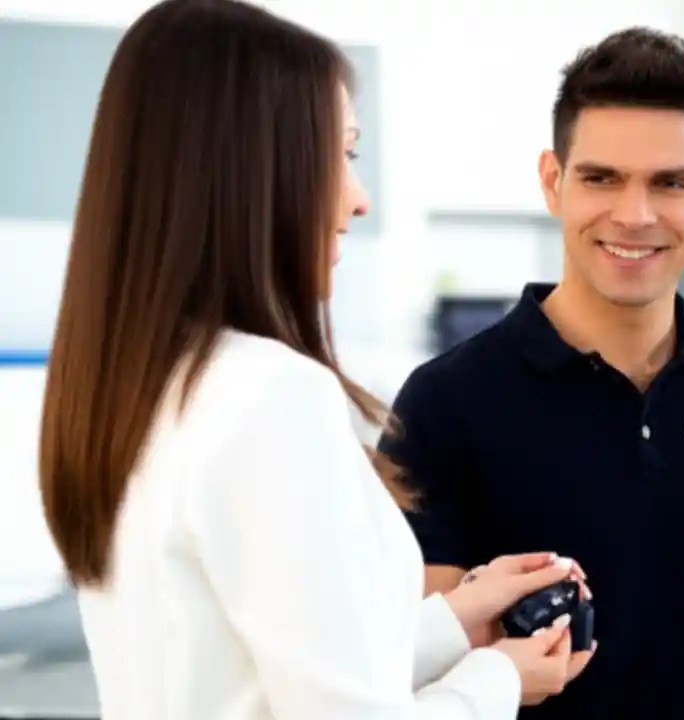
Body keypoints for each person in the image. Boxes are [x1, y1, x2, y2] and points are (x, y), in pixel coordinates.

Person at [37, 1, 591, 718]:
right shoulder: (269, 393)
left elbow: (265, 666)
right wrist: (499, 680)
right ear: (251, 169)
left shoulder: (138, 390)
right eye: (344, 153)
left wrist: (456, 621)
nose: (358, 199)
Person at [378, 27, 684, 720]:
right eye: (601, 178)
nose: (635, 215)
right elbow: (412, 660)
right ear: (553, 182)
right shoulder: (446, 403)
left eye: (670, 183)